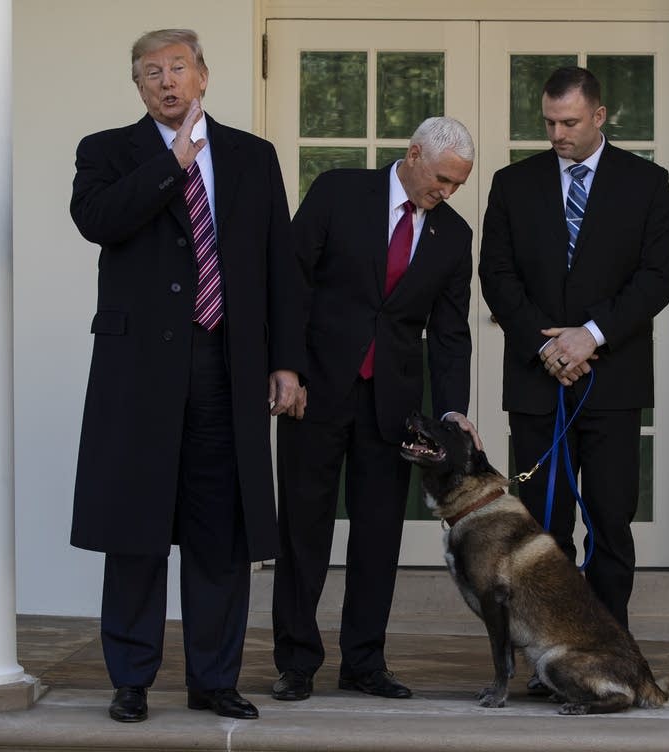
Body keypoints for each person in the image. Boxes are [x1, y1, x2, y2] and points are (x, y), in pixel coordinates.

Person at [69, 29, 306, 723]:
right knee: (136, 527)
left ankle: (214, 678)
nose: (166, 82)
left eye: (177, 69)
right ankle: (132, 679)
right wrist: (169, 165)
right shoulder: (108, 151)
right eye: (151, 73)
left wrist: (285, 360)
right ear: (138, 87)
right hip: (139, 369)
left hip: (226, 364)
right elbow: (97, 220)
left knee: (219, 532)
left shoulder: (252, 157)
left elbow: (278, 267)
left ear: (203, 75)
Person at [270, 117, 481, 702]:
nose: (446, 192)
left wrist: (453, 410)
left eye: (457, 185)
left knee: (377, 535)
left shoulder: (454, 235)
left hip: (391, 405)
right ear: (412, 154)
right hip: (314, 392)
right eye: (441, 179)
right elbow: (291, 279)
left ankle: (364, 662)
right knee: (303, 532)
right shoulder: (339, 191)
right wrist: (287, 367)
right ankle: (296, 663)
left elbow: (449, 333)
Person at [478, 65, 669, 638]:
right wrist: (547, 344)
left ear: (598, 115)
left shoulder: (647, 183)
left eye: (568, 121)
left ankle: (607, 647)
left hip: (612, 382)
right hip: (537, 381)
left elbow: (657, 277)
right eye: (549, 122)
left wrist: (589, 335)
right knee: (542, 526)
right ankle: (549, 647)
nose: (557, 133)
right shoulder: (512, 183)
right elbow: (496, 274)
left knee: (611, 521)